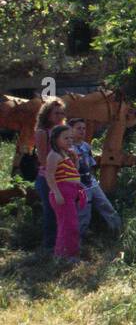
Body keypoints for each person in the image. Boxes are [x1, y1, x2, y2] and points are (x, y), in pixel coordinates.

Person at [69, 118, 122, 236]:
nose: (82, 131)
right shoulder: (68, 149)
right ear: (71, 130)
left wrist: (93, 179)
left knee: (106, 205)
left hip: (91, 181)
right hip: (79, 183)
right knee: (83, 212)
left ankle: (119, 232)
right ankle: (78, 241)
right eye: (78, 128)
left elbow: (91, 164)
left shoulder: (86, 146)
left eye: (83, 128)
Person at [45, 123, 86, 262]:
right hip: (62, 192)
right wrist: (56, 193)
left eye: (70, 138)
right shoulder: (54, 155)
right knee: (68, 225)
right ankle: (66, 255)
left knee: (71, 223)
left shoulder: (65, 154)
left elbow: (73, 171)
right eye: (65, 138)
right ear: (56, 139)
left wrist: (75, 160)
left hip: (70, 192)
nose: (69, 141)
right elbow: (49, 175)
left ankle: (67, 254)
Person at [32, 98, 67, 251]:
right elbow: (43, 159)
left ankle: (63, 243)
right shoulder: (42, 132)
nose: (59, 116)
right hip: (47, 178)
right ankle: (48, 246)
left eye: (61, 113)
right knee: (51, 211)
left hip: (64, 176)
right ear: (47, 114)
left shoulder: (63, 131)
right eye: (56, 113)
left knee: (63, 211)